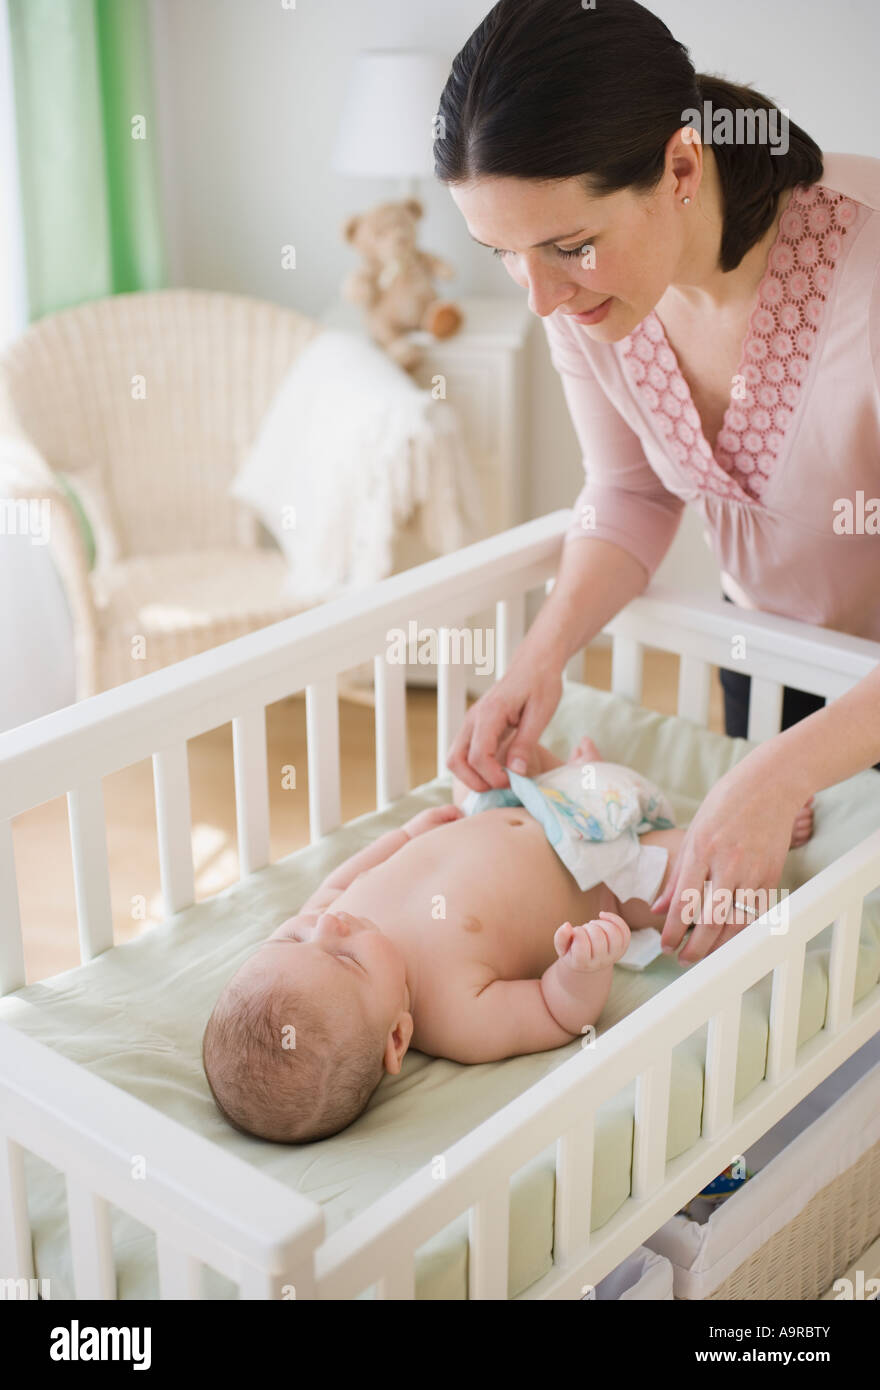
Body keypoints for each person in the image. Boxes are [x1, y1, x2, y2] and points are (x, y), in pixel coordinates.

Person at [435, 0, 880, 964]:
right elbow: (632, 494)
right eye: (504, 254)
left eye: (567, 244)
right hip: (769, 659)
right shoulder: (583, 295)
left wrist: (777, 778)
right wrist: (538, 657)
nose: (541, 297)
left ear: (681, 167)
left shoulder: (867, 280)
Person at [202, 734, 814, 1143]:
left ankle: (572, 773)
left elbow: (348, 873)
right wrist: (583, 965)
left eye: (290, 936)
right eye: (342, 957)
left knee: (487, 767)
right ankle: (762, 824)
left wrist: (410, 831)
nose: (326, 925)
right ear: (397, 1036)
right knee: (700, 886)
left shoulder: (327, 917)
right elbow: (554, 1012)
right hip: (606, 870)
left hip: (516, 805)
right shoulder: (455, 1016)